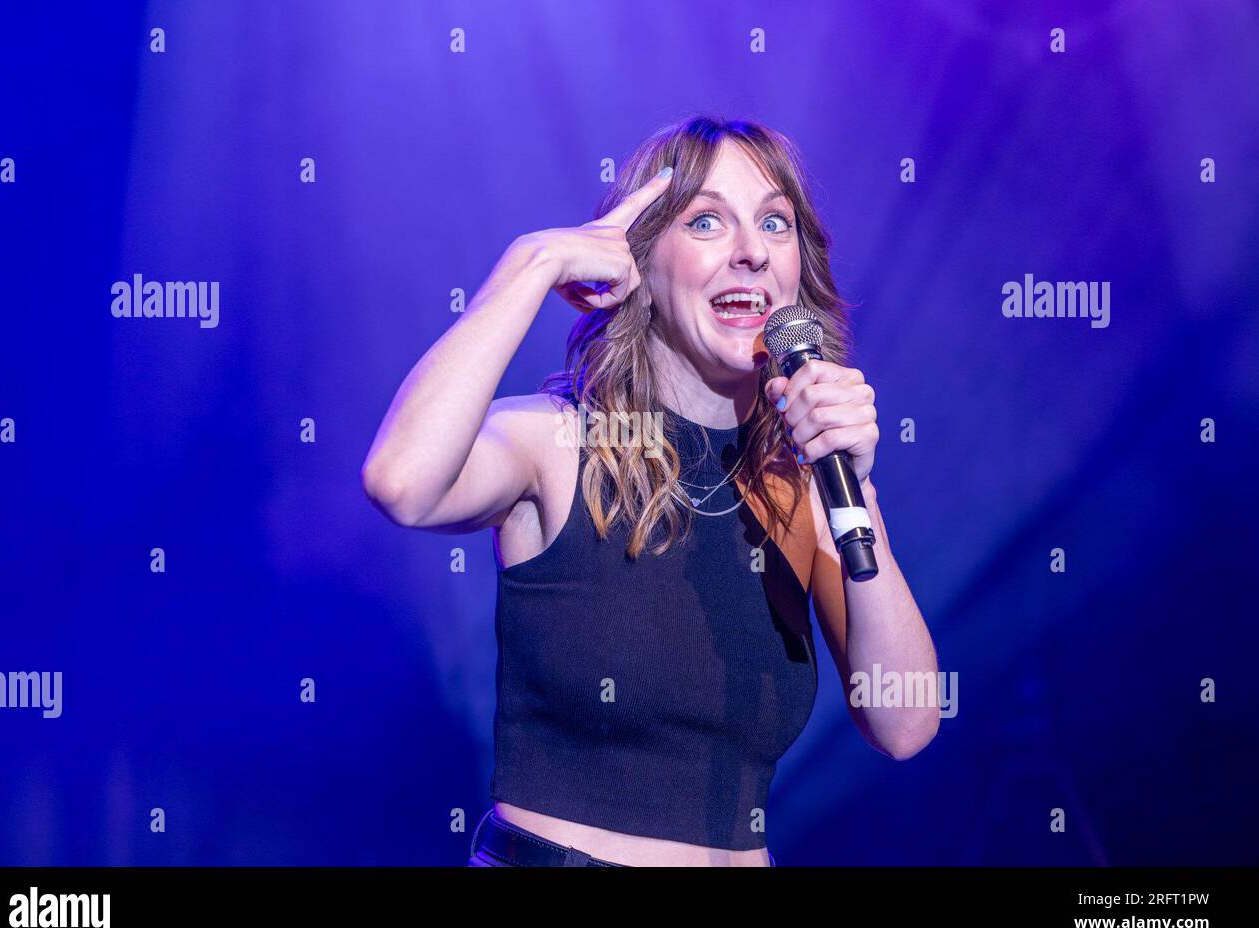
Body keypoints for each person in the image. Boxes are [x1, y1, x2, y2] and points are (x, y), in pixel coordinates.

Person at [362, 114, 939, 866]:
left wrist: (857, 492)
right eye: (707, 222)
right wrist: (532, 262)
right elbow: (401, 481)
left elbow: (906, 723)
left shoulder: (802, 481)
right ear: (641, 263)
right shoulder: (558, 441)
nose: (751, 252)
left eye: (774, 223)